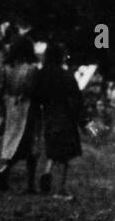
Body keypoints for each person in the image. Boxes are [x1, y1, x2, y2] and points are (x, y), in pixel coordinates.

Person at [0, 35, 41, 193]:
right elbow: (33, 89)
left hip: (10, 107)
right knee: (30, 144)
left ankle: (5, 169)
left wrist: (2, 107)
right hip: (27, 108)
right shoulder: (32, 68)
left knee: (12, 141)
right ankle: (30, 184)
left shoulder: (5, 68)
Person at [36, 42, 84, 195]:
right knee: (65, 153)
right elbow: (77, 96)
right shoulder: (66, 75)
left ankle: (47, 171)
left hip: (48, 114)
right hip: (65, 114)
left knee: (52, 146)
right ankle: (61, 187)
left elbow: (37, 95)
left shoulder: (41, 74)